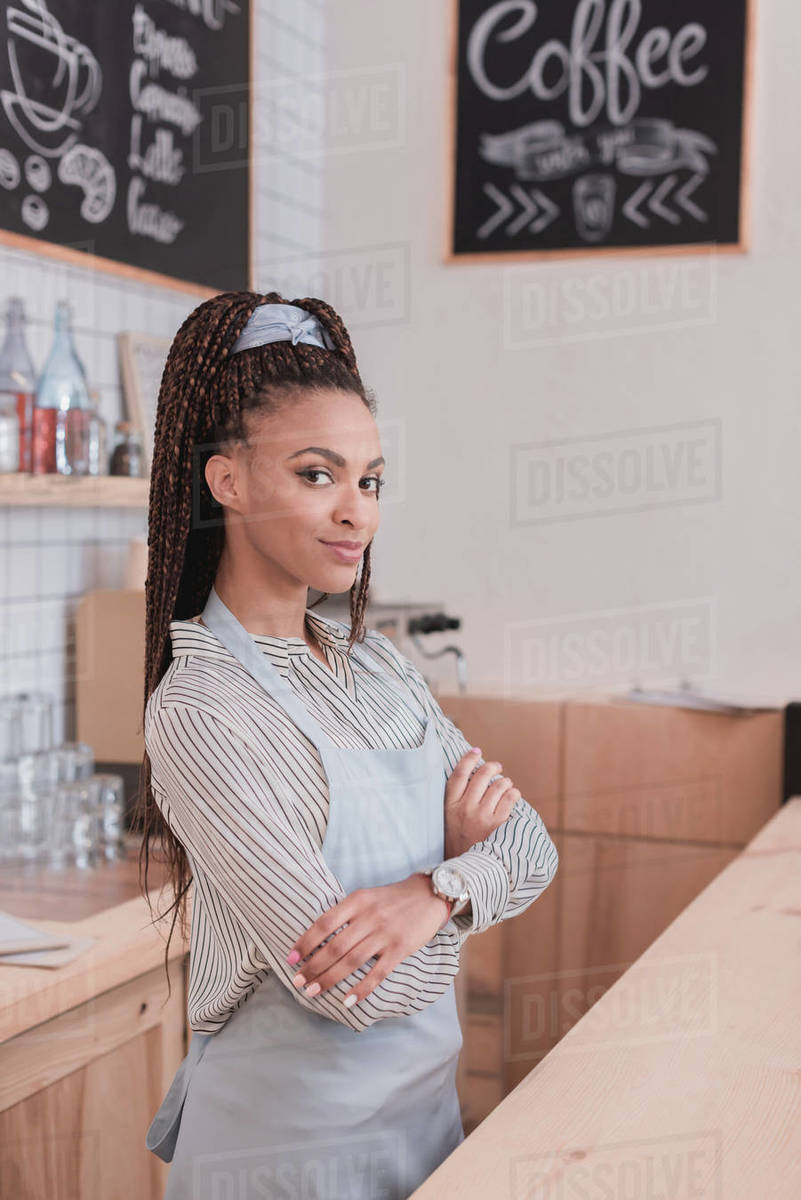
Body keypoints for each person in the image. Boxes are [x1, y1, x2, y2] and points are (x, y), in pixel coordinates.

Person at [135, 290, 559, 1200]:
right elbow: (343, 988)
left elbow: (534, 847)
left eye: (368, 481)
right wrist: (462, 883)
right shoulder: (203, 709)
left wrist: (432, 891)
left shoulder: (380, 671)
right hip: (280, 1152)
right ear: (228, 481)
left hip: (423, 1132)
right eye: (317, 474)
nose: (355, 513)